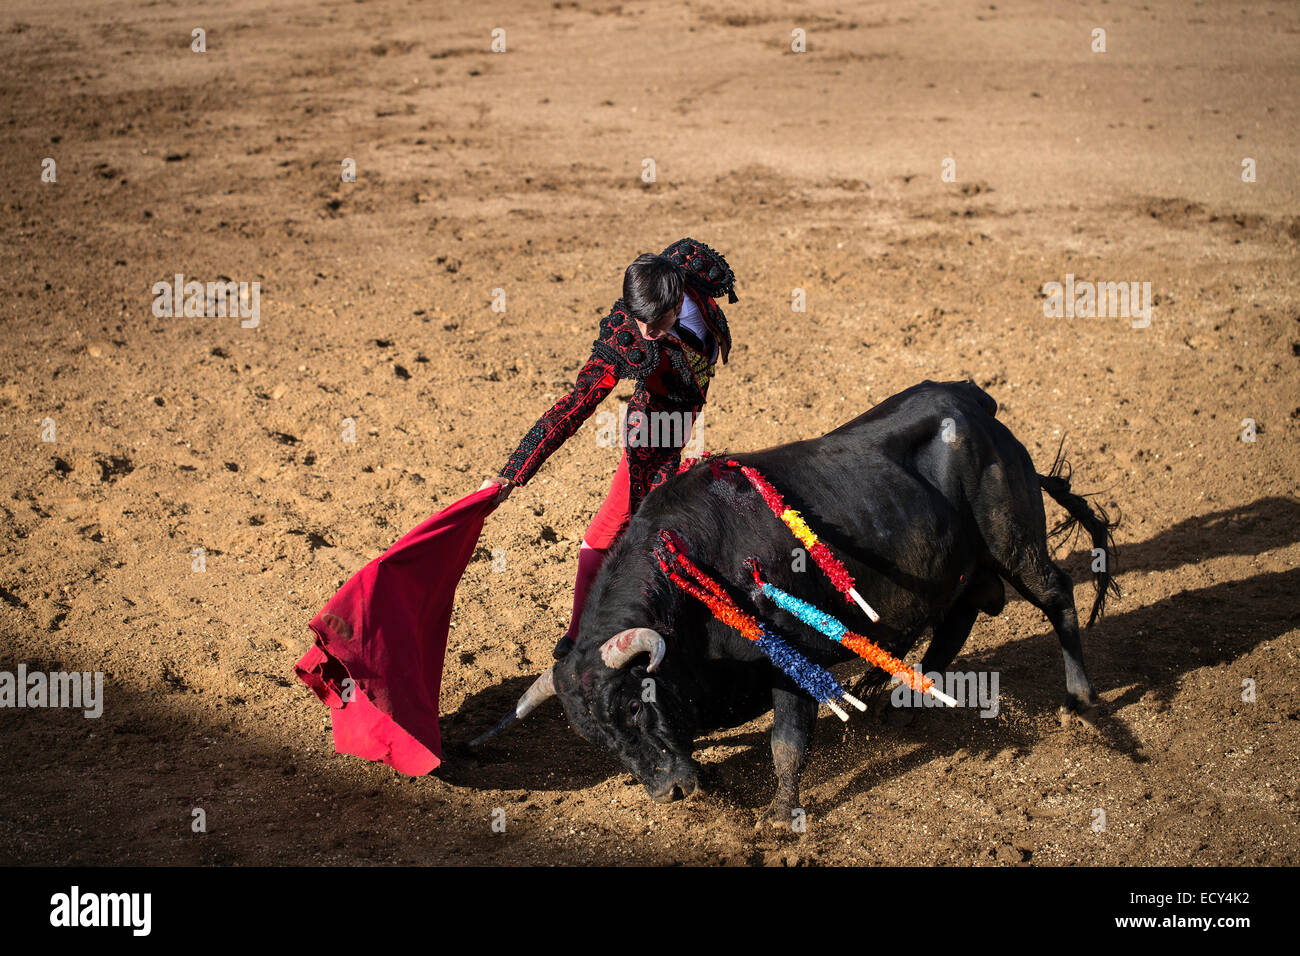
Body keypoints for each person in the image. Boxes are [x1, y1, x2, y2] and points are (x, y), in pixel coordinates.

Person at [479, 238, 738, 658]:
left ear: (677, 300)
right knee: (618, 522)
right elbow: (575, 405)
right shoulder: (627, 334)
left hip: (684, 420)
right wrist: (514, 471)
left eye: (655, 325)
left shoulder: (686, 273)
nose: (644, 334)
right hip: (652, 431)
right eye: (640, 322)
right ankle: (578, 634)